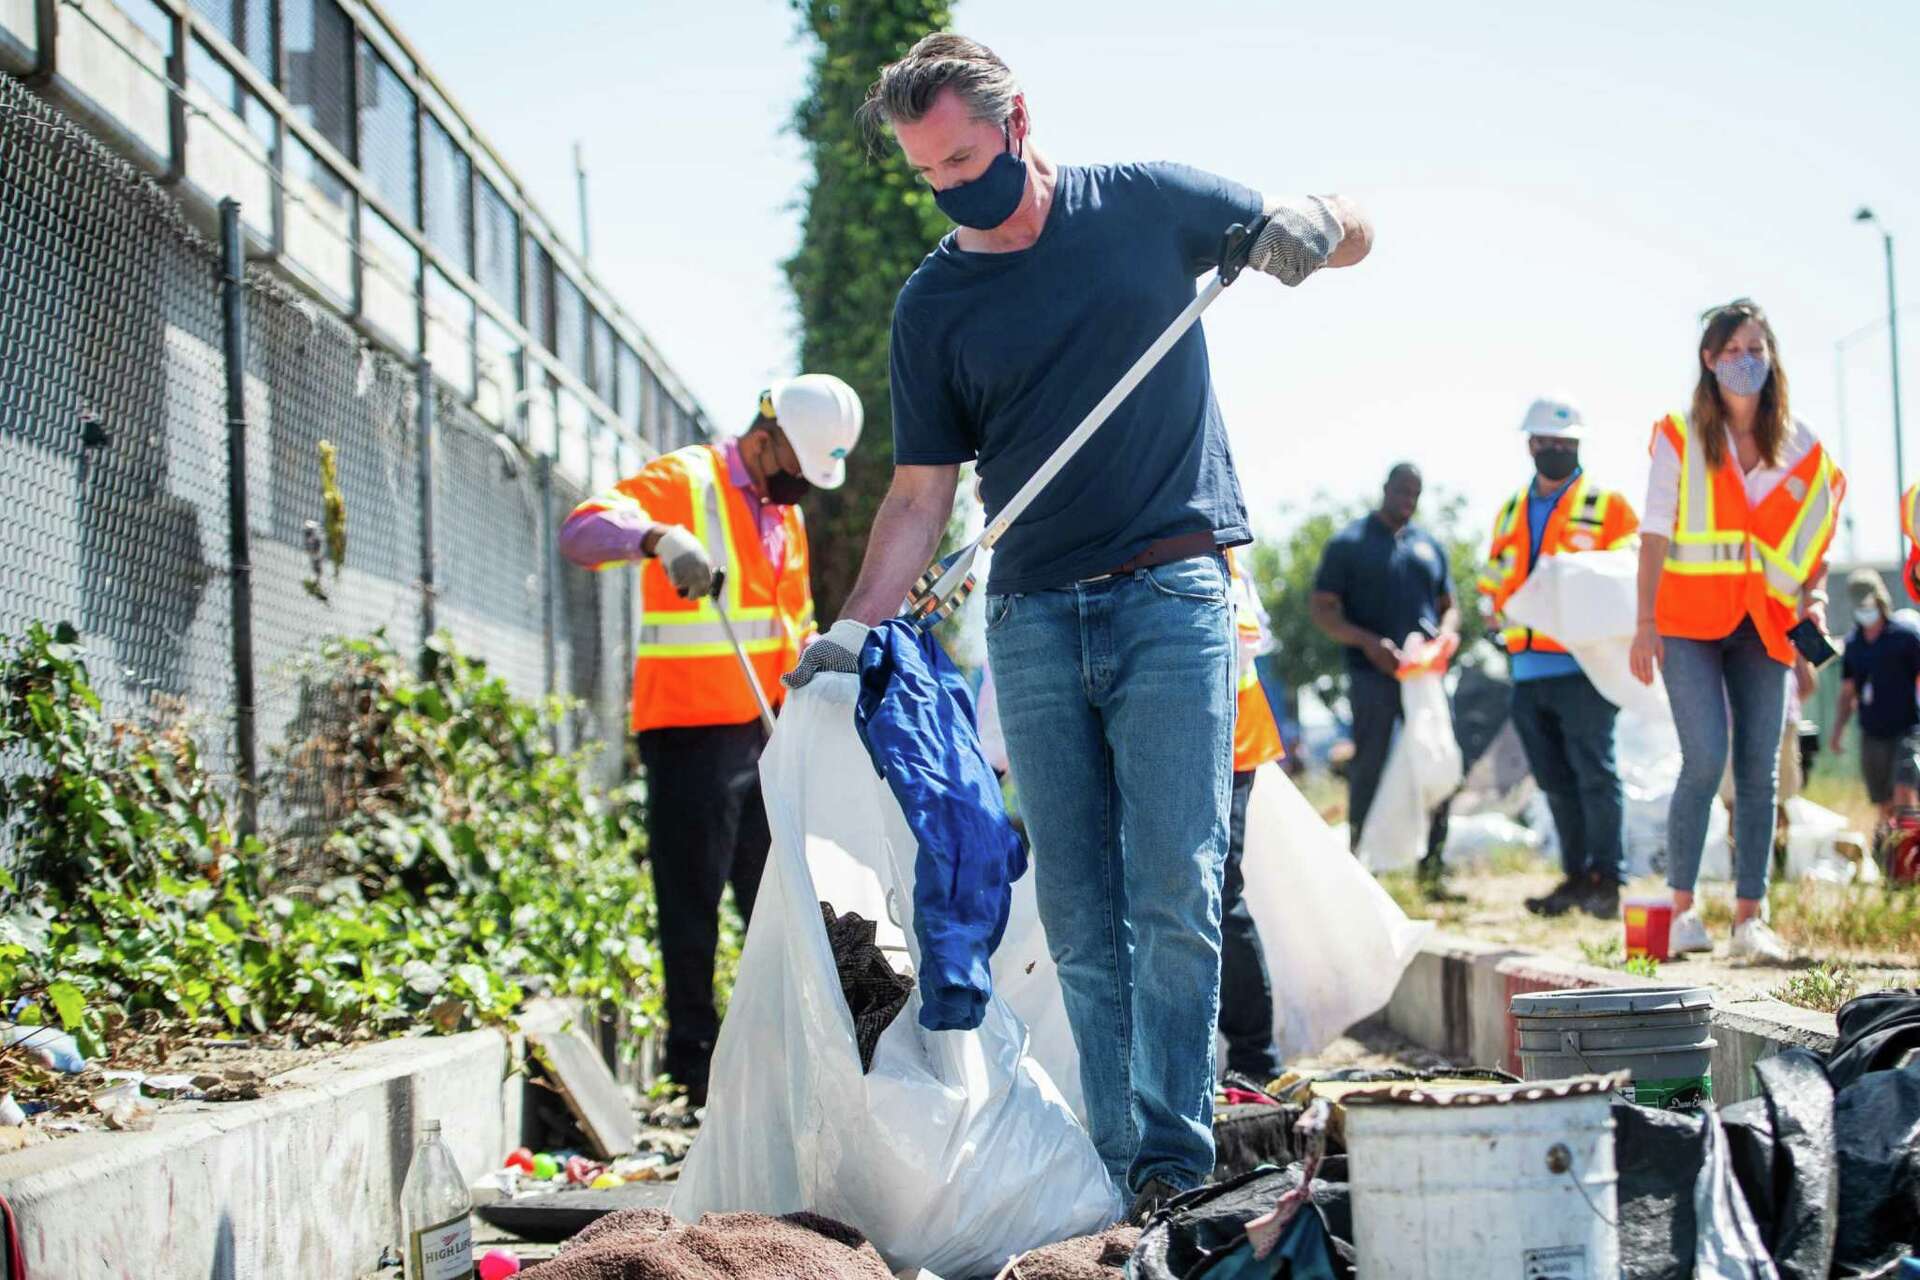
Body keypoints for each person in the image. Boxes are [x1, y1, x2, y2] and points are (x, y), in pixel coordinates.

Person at [781, 33, 1371, 1216]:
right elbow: (917, 496)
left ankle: (1175, 1156)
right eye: (927, 175)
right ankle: (1118, 1171)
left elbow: (1355, 226)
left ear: (1017, 119)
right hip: (1036, 619)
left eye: (961, 158)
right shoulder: (935, 305)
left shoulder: (1145, 208)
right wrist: (849, 629)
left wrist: (1310, 223)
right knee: (1085, 913)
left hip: (1173, 596)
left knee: (1177, 886)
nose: (952, 188)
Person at [559, 375, 863, 1103]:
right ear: (765, 437)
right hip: (689, 729)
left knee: (772, 900)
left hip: (762, 737)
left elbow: (791, 623)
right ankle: (691, 1066)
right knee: (690, 903)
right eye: (797, 467)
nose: (802, 486)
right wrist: (658, 538)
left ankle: (775, 1059)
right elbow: (580, 531)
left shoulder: (781, 517)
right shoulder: (686, 480)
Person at [1629, 299, 1844, 963]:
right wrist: (1643, 623)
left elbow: (1816, 548)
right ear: (1708, 360)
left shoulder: (1803, 448)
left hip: (1766, 626)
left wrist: (1816, 602)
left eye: (1756, 349)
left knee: (1759, 769)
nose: (1745, 362)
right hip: (1689, 623)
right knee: (1704, 759)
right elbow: (1655, 536)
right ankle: (1683, 910)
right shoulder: (1680, 435)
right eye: (1732, 351)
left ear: (1772, 357)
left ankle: (1752, 918)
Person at [1476, 396, 1639, 919]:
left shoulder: (1607, 505)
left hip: (1584, 667)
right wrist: (1491, 610)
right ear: (1531, 445)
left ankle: (1607, 881)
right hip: (1526, 669)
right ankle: (1574, 877)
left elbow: (1633, 574)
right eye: (1548, 443)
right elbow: (1493, 578)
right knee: (1554, 782)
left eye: (1567, 445)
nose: (1557, 452)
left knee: (1595, 773)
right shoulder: (1509, 510)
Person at [1311, 464, 1460, 892]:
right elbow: (1322, 609)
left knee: (1437, 759)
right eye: (1401, 490)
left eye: (1415, 492)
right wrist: (1368, 643)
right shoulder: (1349, 544)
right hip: (1372, 674)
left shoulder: (1428, 546)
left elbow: (1450, 605)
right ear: (1385, 489)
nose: (1407, 499)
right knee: (1370, 765)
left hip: (1425, 677)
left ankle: (1432, 868)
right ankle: (1360, 867)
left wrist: (1447, 634)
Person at [1220, 551, 1285, 1083]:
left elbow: (1244, 641)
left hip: (1230, 739)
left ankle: (1254, 1061)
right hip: (1169, 739)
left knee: (1217, 890)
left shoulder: (1214, 547)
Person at [1831, 568, 1920, 827]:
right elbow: (1848, 691)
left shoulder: (1905, 637)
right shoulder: (1855, 644)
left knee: (1904, 788)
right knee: (1884, 801)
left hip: (1906, 729)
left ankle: (1908, 847)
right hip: (1872, 732)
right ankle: (1889, 852)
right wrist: (1837, 730)